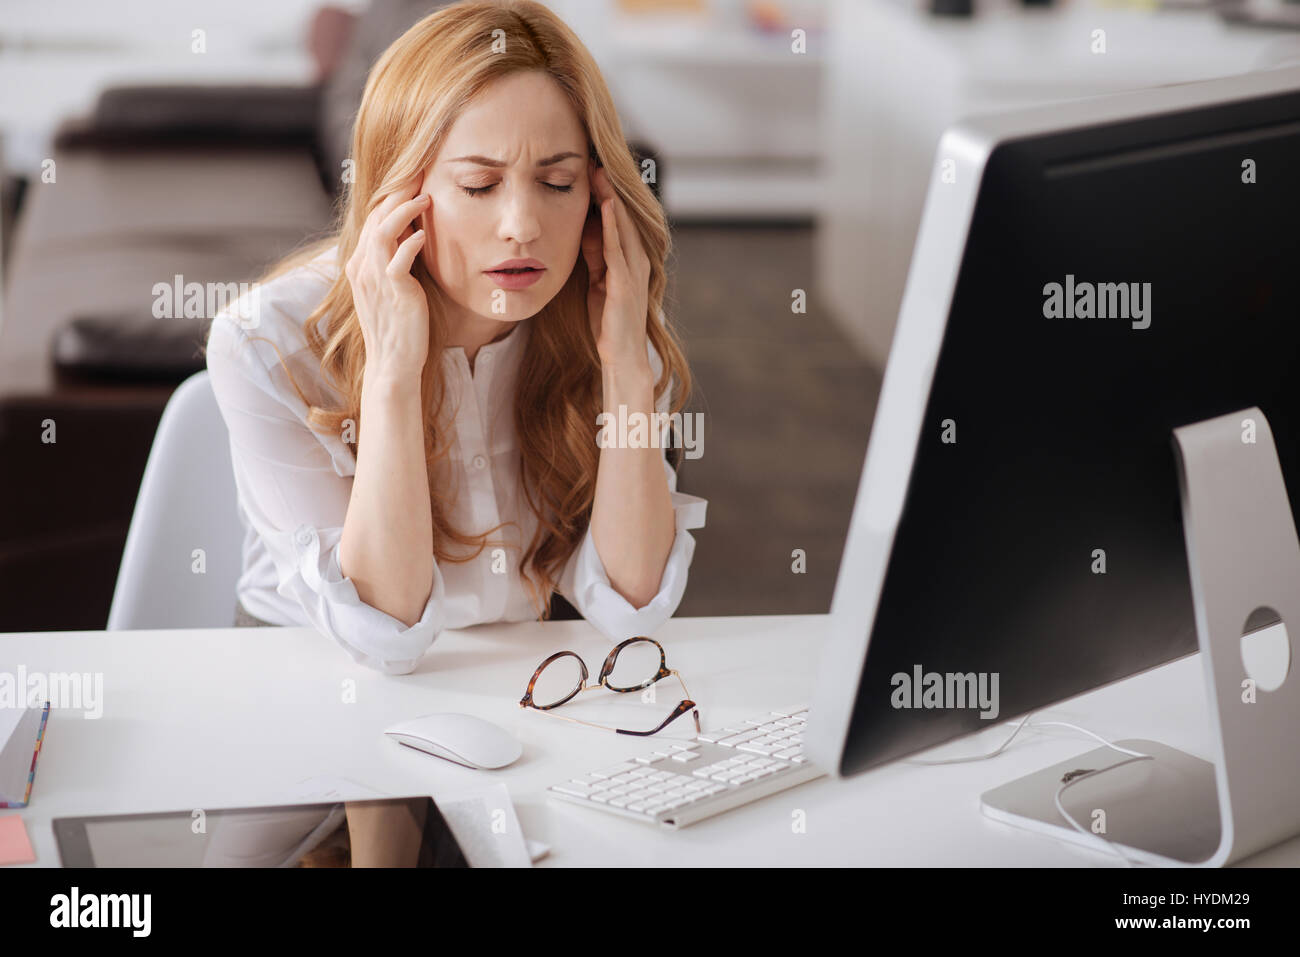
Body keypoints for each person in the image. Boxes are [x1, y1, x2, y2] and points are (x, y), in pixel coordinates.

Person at [204, 0, 707, 674]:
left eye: (557, 182)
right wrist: (392, 374)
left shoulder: (608, 315)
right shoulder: (266, 342)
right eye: (479, 185)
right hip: (312, 685)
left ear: (596, 192)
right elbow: (386, 632)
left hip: (521, 685)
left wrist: (625, 368)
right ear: (399, 192)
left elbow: (633, 604)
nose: (522, 225)